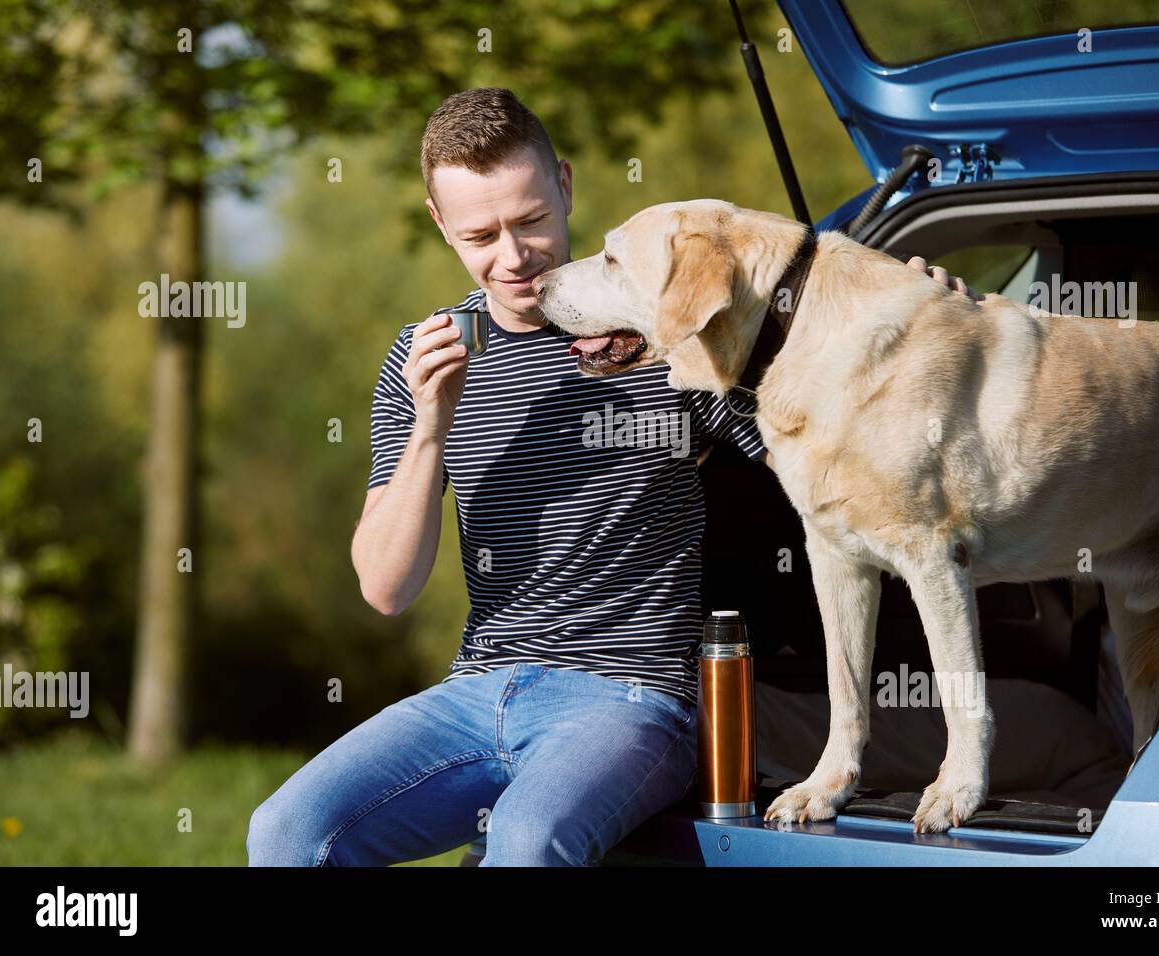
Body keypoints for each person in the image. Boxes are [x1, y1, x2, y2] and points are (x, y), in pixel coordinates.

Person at [247, 87, 974, 867]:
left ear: (564, 185)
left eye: (529, 220)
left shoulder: (674, 337)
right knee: (286, 833)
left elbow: (843, 446)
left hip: (632, 701)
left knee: (527, 843)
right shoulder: (421, 362)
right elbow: (386, 587)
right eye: (480, 235)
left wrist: (913, 320)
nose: (513, 255)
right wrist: (432, 424)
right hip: (475, 691)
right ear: (438, 223)